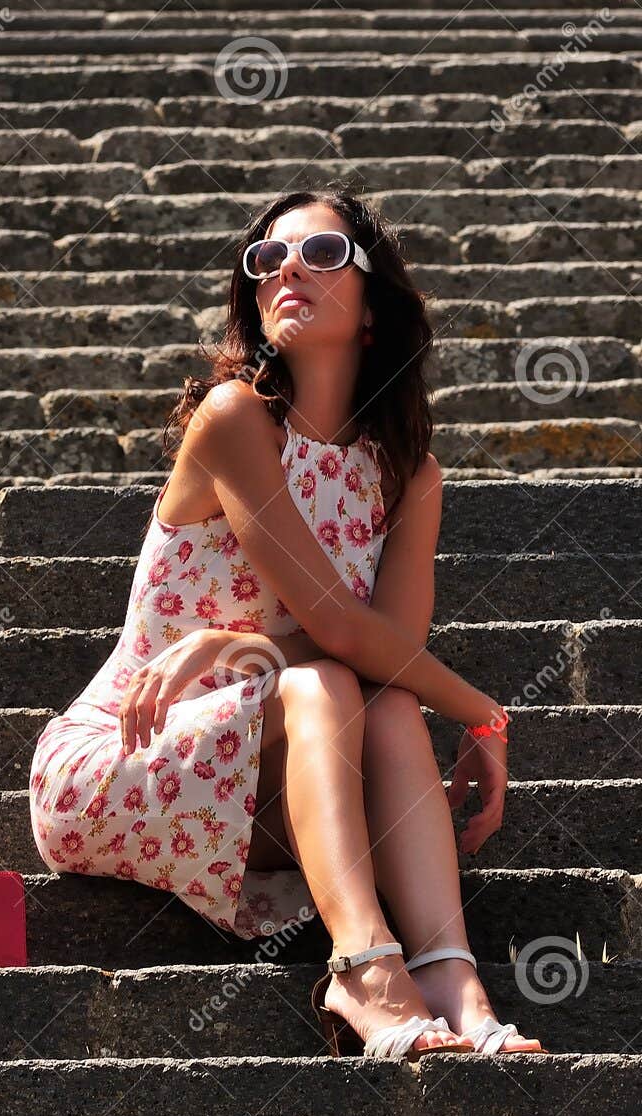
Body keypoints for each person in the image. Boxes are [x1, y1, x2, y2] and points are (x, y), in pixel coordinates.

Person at [29, 188, 544, 1059]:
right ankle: (363, 970)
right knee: (322, 684)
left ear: (375, 309)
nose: (287, 269)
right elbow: (339, 628)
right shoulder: (236, 420)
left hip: (268, 774)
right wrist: (481, 711)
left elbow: (385, 659)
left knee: (379, 705)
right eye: (266, 259)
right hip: (121, 757)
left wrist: (238, 646)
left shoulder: (408, 476)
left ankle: (455, 981)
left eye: (323, 255)